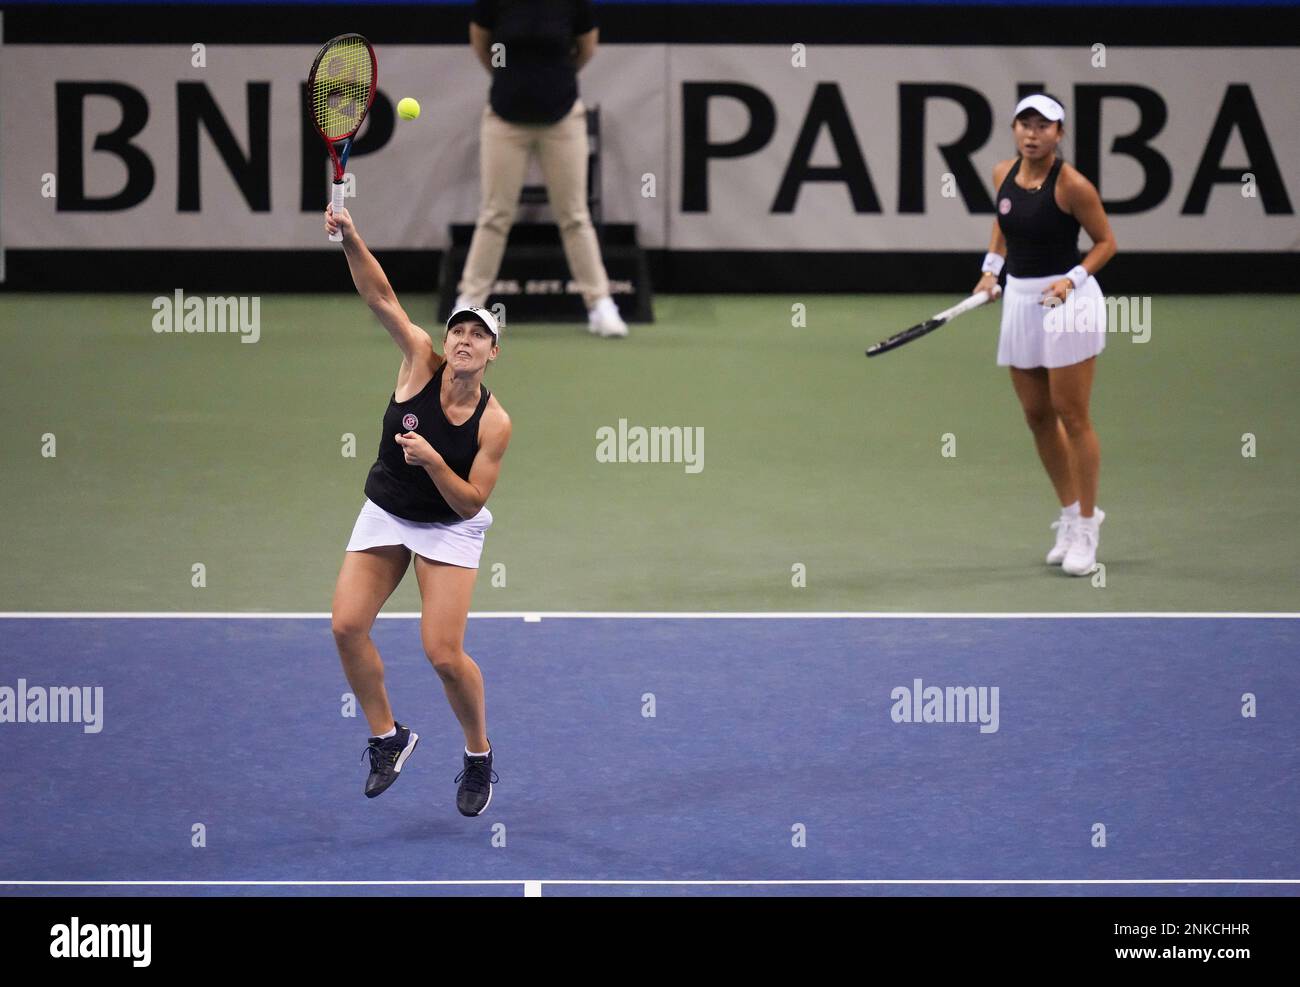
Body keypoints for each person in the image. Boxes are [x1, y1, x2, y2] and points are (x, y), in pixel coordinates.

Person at [326, 201, 512, 816]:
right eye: (459, 330)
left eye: (478, 335)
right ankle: (388, 737)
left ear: (492, 354)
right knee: (347, 626)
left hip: (449, 527)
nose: (463, 340)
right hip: (388, 509)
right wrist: (352, 234)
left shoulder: (495, 423)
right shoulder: (417, 361)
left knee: (442, 653)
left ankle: (478, 754)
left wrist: (434, 459)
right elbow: (380, 297)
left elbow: (470, 503)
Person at [974, 94, 1118, 576]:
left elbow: (1106, 243)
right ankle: (1070, 512)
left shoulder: (1073, 185)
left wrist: (1070, 280)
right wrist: (991, 271)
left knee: (1071, 414)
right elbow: (1004, 222)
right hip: (1020, 299)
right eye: (1025, 124)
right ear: (1015, 129)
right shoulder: (1001, 174)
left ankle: (1088, 527)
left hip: (1067, 301)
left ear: (1060, 133)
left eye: (1044, 126)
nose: (1033, 134)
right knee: (1036, 415)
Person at [457, 0, 628, 337]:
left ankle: (601, 306)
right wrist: (510, 79)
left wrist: (550, 82)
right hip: (504, 118)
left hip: (563, 117)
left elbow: (585, 48)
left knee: (575, 216)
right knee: (495, 214)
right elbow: (482, 44)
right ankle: (468, 305)